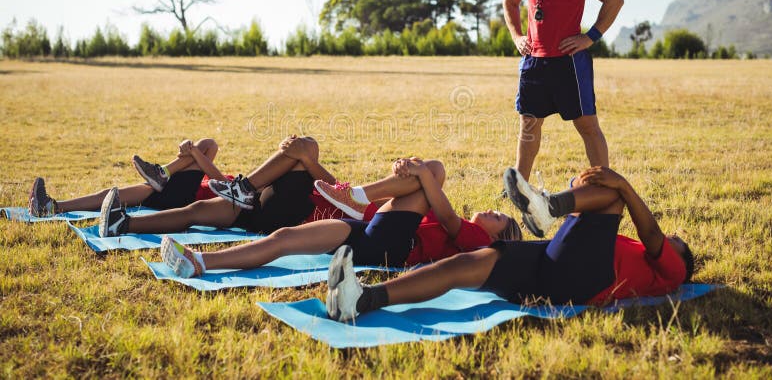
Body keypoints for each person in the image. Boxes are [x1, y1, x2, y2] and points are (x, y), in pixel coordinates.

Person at [325, 166, 694, 322]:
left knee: (614, 196)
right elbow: (588, 235)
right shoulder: (627, 247)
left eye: (676, 241)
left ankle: (549, 207)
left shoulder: (673, 273)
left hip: (584, 282)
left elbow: (651, 235)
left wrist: (624, 186)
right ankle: (362, 300)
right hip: (549, 262)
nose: (669, 238)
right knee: (462, 266)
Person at [158, 157, 522, 278]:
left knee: (435, 170)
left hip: (395, 246)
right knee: (284, 238)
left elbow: (449, 217)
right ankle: (200, 262)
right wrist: (411, 171)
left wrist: (423, 173)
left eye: (501, 219)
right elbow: (435, 206)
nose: (494, 211)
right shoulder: (469, 232)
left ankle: (357, 195)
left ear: (498, 237)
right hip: (372, 235)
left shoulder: (481, 242)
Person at [503, 0, 624, 183]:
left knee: (587, 126)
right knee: (528, 126)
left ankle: (606, 186)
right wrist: (517, 37)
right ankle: (519, 186)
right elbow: (509, 1)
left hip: (569, 62)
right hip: (534, 61)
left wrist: (590, 36)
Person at [98, 135, 360, 237]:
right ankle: (122, 224)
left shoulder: (362, 211)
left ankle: (243, 189)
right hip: (256, 203)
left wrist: (305, 155)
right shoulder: (361, 199)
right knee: (196, 211)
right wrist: (299, 153)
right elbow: (336, 187)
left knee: (307, 145)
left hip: (290, 214)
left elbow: (333, 187)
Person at [27, 138, 226, 217]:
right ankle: (50, 207)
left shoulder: (237, 192)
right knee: (111, 195)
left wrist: (193, 150)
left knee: (209, 144)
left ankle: (162, 173)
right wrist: (189, 148)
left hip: (185, 197)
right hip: (177, 189)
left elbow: (224, 184)